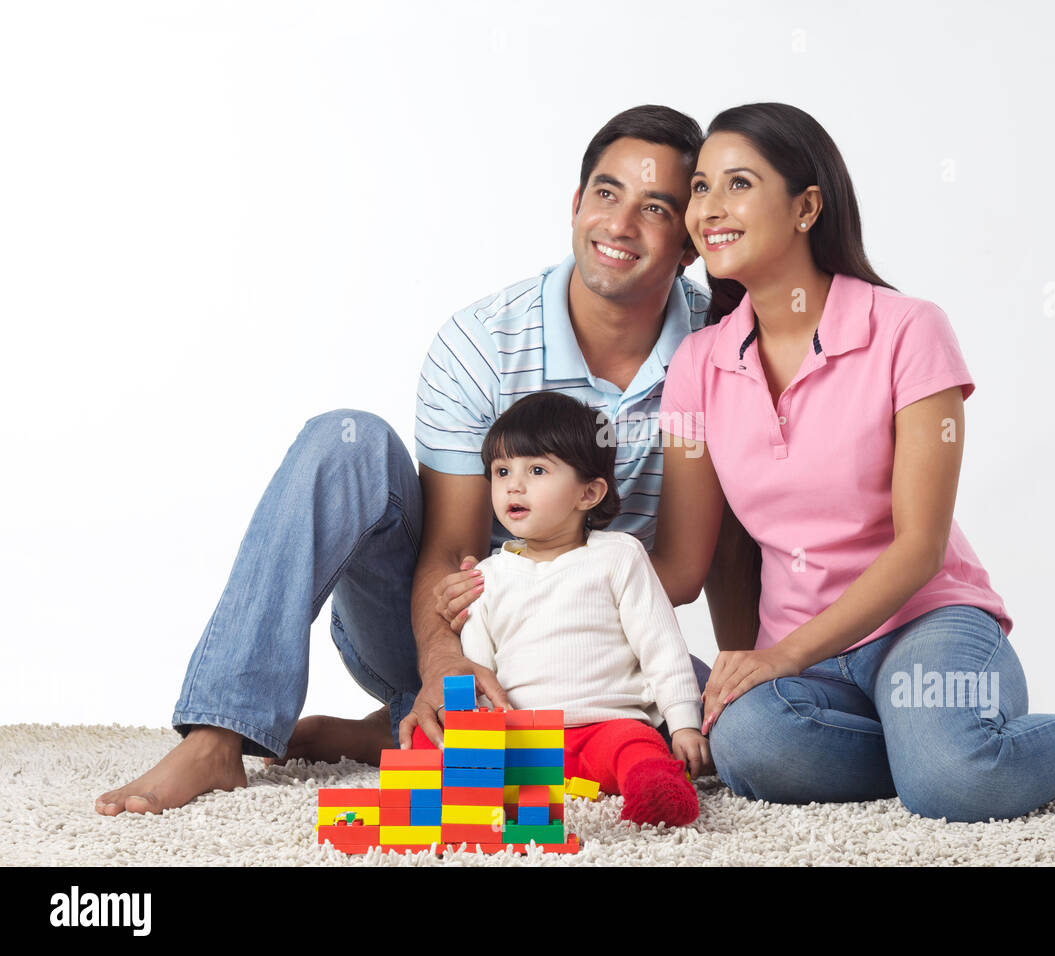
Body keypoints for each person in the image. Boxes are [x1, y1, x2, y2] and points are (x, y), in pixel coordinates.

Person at [95, 104, 757, 816]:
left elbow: (701, 557)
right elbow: (449, 548)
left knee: (734, 737)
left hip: (596, 643)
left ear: (689, 242)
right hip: (441, 617)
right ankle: (219, 736)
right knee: (344, 440)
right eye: (605, 193)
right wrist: (447, 663)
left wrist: (730, 666)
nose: (619, 226)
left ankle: (393, 732)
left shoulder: (719, 347)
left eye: (654, 208)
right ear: (575, 205)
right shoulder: (481, 342)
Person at [650, 102, 1055, 822]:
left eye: (738, 184)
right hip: (807, 662)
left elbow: (921, 549)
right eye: (701, 188)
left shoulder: (907, 330)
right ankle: (937, 754)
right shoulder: (696, 366)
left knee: (954, 784)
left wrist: (778, 660)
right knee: (749, 748)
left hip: (925, 623)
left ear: (806, 207)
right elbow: (688, 561)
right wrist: (535, 572)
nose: (710, 208)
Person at [456, 390, 707, 826]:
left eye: (536, 470)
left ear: (588, 493)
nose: (513, 485)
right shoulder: (489, 575)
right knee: (433, 740)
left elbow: (660, 646)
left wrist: (683, 722)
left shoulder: (619, 556)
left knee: (638, 748)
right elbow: (479, 670)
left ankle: (657, 792)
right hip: (523, 740)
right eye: (501, 471)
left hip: (605, 727)